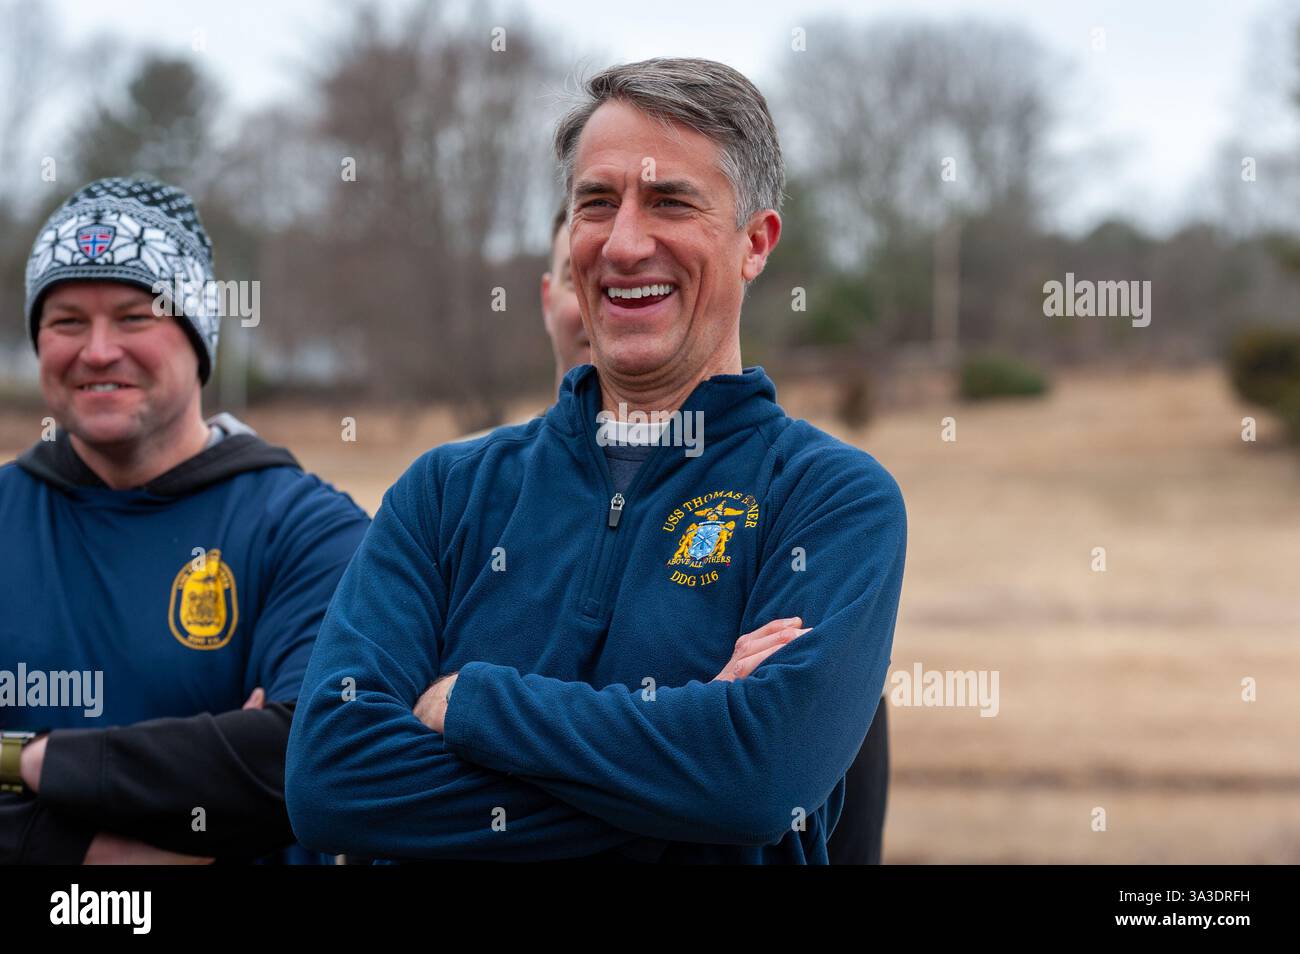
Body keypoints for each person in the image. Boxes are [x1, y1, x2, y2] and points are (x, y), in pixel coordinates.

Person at [286, 57, 906, 863]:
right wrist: (688, 791)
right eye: (597, 204)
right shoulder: (445, 493)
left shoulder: (831, 502)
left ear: (756, 242)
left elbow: (761, 779)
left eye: (671, 202)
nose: (623, 244)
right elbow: (332, 781)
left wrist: (470, 703)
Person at [0, 177, 370, 863]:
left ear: (199, 337)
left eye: (135, 316)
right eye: (67, 321)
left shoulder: (310, 531)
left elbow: (316, 755)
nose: (99, 350)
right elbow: (247, 779)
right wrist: (77, 851)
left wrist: (29, 760)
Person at [540, 203, 891, 863]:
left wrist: (469, 707)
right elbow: (345, 787)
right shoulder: (457, 500)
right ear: (550, 295)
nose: (621, 266)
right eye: (576, 268)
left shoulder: (806, 505)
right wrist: (695, 742)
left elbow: (766, 783)